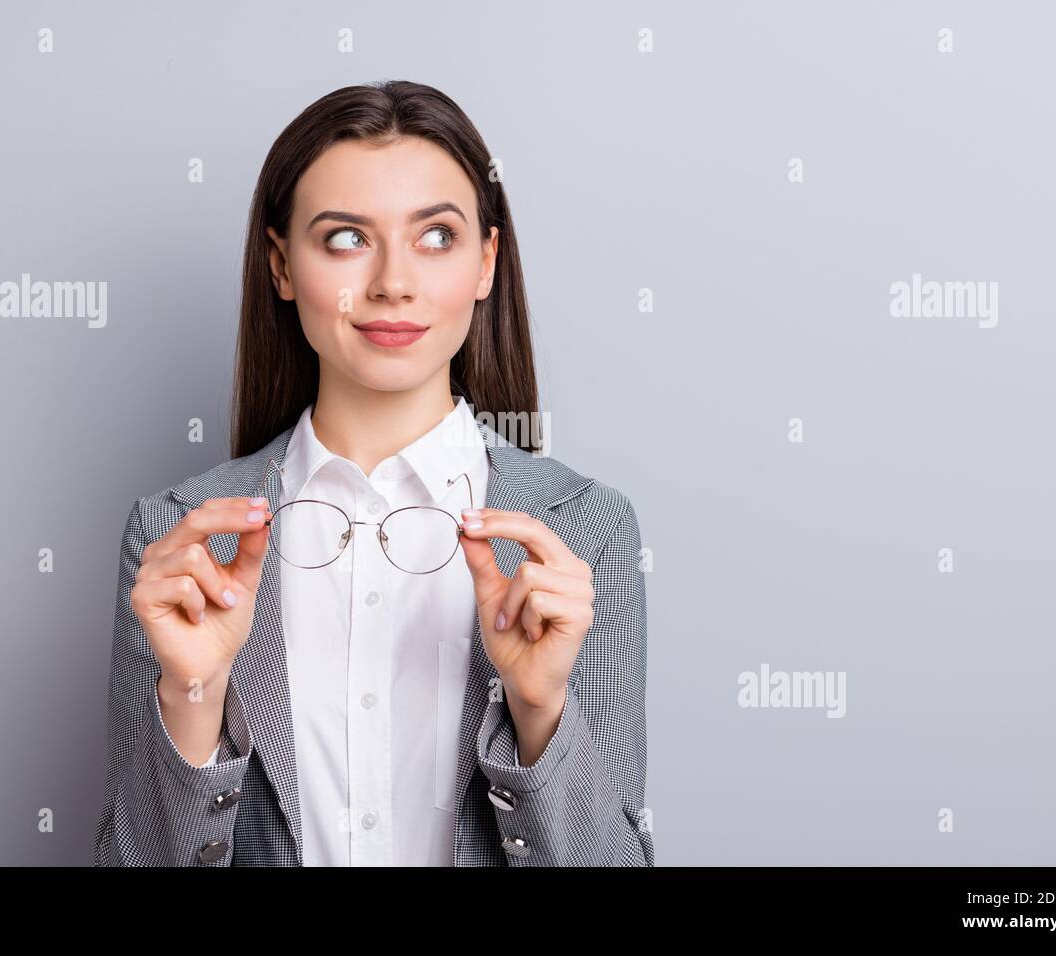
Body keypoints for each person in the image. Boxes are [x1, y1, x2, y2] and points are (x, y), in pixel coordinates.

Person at [92, 80, 652, 866]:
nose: (393, 282)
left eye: (436, 237)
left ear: (486, 263)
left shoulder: (584, 527)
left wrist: (538, 709)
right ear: (282, 266)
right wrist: (194, 703)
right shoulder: (178, 538)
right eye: (347, 238)